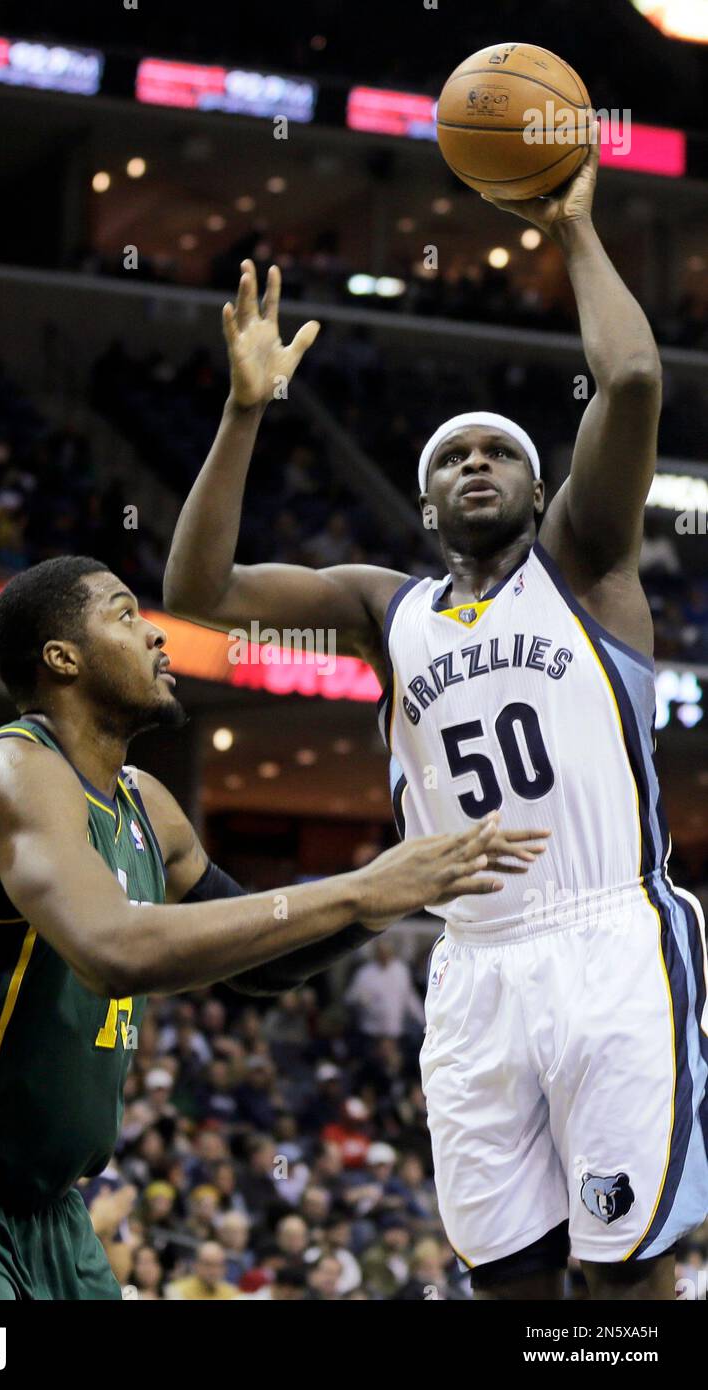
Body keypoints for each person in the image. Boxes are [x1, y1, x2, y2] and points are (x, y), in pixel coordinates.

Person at [162, 129, 708, 1300]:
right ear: (422, 502)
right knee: (506, 1282)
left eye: (498, 452)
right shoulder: (382, 607)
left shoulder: (585, 561)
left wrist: (569, 230)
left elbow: (631, 383)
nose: (475, 463)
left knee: (625, 1276)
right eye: (452, 455)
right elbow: (196, 595)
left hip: (608, 938)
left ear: (533, 484)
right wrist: (245, 411)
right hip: (472, 963)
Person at [0, 555, 532, 1302]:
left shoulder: (148, 804)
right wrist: (357, 888)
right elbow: (110, 951)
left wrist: (395, 896)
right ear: (62, 657)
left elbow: (260, 967)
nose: (154, 633)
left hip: (55, 1214)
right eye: (123, 614)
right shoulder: (13, 773)